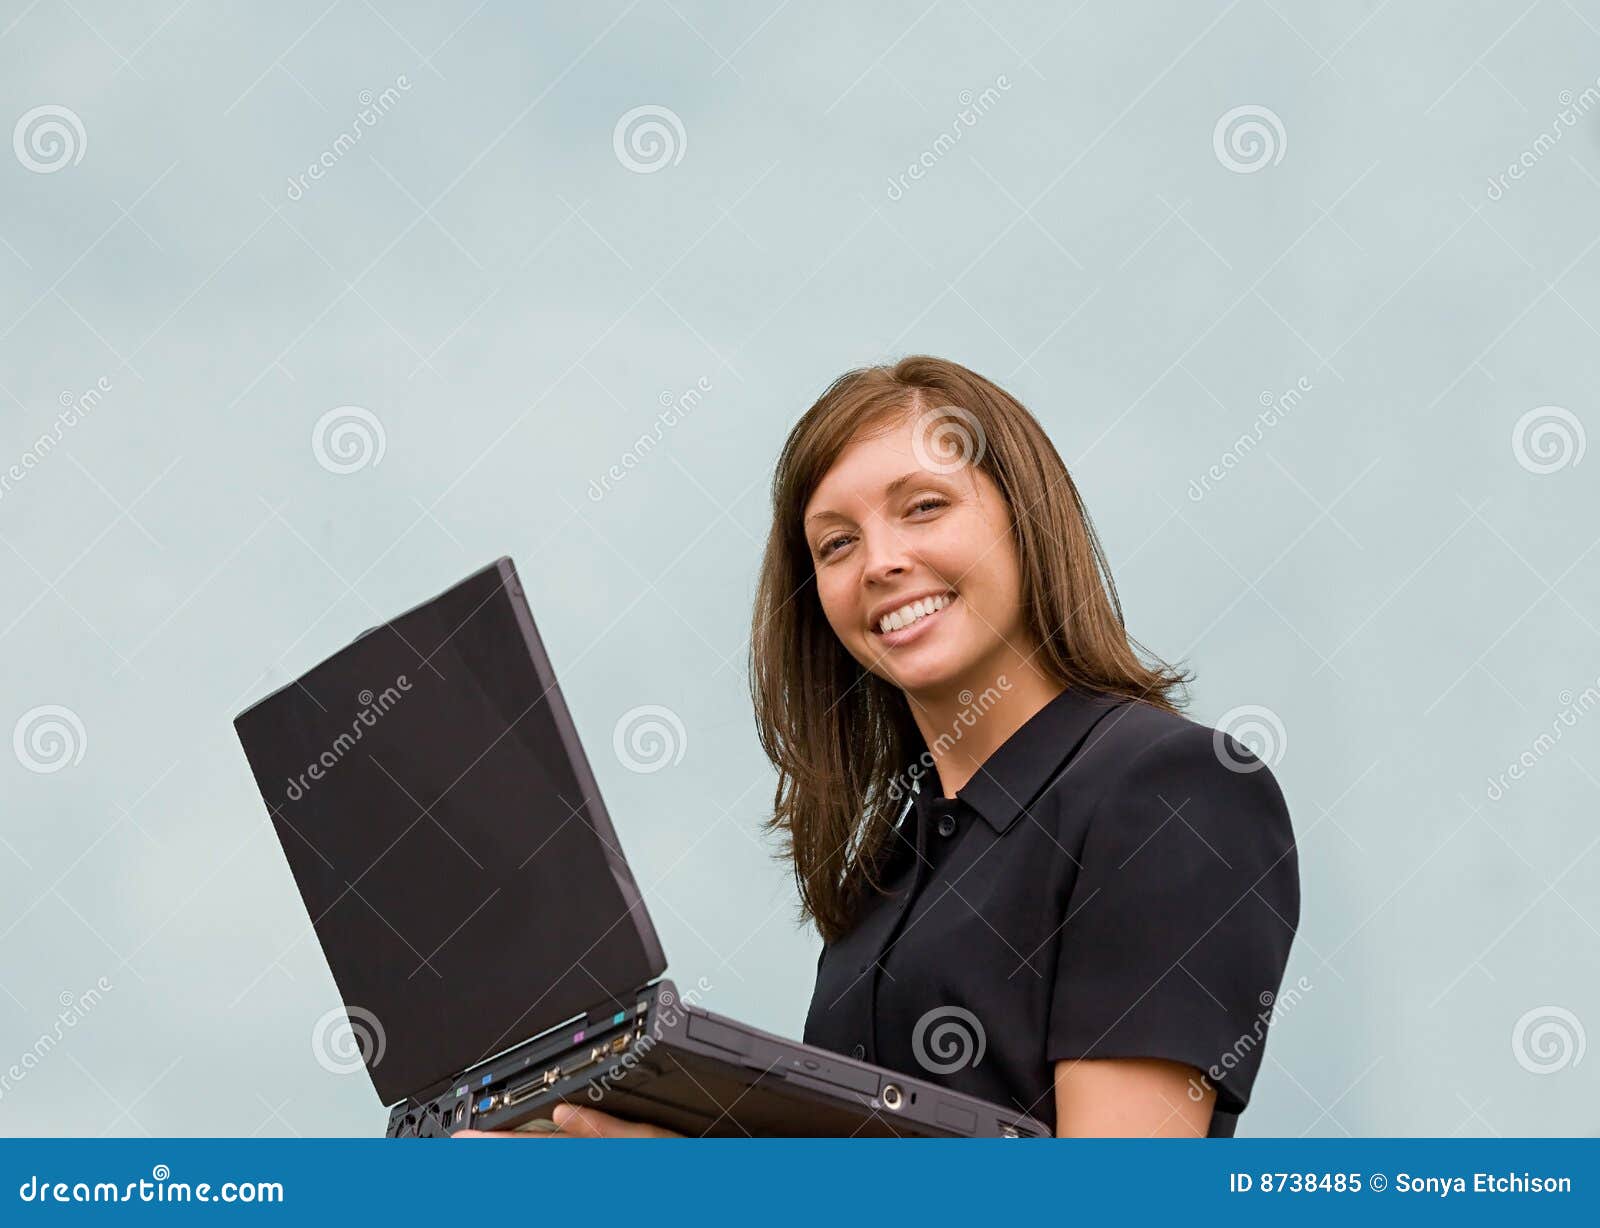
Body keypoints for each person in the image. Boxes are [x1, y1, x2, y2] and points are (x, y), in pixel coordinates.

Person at [459, 355, 1300, 1139]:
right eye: (836, 544)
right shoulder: (891, 872)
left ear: (1026, 519)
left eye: (924, 506)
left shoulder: (1171, 791)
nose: (879, 563)